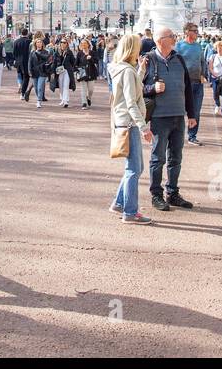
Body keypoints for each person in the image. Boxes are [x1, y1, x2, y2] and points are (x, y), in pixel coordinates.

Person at [141, 27, 197, 212]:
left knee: (176, 157)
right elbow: (137, 89)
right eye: (171, 36)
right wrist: (152, 89)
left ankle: (172, 192)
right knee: (158, 158)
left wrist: (192, 114)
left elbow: (187, 88)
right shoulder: (148, 60)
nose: (174, 38)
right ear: (160, 40)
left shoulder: (178, 58)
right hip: (159, 116)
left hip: (178, 115)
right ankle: (156, 194)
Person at [108, 32, 153, 224]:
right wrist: (143, 127)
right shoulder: (126, 71)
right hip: (129, 122)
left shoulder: (124, 69)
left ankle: (119, 202)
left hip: (124, 121)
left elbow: (133, 86)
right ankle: (130, 211)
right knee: (134, 168)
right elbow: (131, 102)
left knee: (134, 167)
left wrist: (141, 70)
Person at [177, 23, 207, 143]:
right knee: (180, 110)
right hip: (183, 83)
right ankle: (178, 136)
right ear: (187, 32)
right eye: (194, 30)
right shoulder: (179, 46)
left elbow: (202, 61)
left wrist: (203, 74)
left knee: (196, 111)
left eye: (196, 30)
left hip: (197, 83)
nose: (196, 32)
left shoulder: (198, 46)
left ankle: (192, 135)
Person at [26, 35, 49, 108]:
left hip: (42, 72)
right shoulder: (32, 52)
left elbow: (46, 58)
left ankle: (39, 101)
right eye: (37, 42)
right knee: (36, 87)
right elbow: (29, 62)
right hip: (34, 72)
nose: (39, 44)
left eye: (40, 42)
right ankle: (39, 97)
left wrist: (38, 53)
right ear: (35, 44)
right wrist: (29, 70)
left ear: (42, 44)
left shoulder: (45, 52)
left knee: (40, 87)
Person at [76, 37, 99, 108]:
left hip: (91, 72)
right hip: (83, 73)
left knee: (91, 89)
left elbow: (96, 61)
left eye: (85, 44)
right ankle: (84, 103)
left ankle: (88, 98)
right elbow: (76, 63)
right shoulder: (79, 53)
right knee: (83, 89)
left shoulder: (92, 52)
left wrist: (91, 58)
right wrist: (77, 70)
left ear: (88, 45)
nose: (83, 45)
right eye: (82, 44)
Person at [56, 37, 77, 108]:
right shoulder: (57, 51)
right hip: (59, 71)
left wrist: (74, 68)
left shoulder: (69, 52)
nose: (63, 44)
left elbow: (73, 61)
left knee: (66, 85)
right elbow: (54, 62)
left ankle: (66, 101)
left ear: (67, 44)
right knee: (61, 86)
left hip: (67, 71)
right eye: (61, 42)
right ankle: (62, 98)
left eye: (64, 42)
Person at [13, 27, 31, 98]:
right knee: (26, 77)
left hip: (19, 62)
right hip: (27, 62)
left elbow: (14, 53)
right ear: (27, 33)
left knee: (20, 75)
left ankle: (20, 86)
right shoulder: (29, 41)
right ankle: (23, 93)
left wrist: (16, 59)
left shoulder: (16, 41)